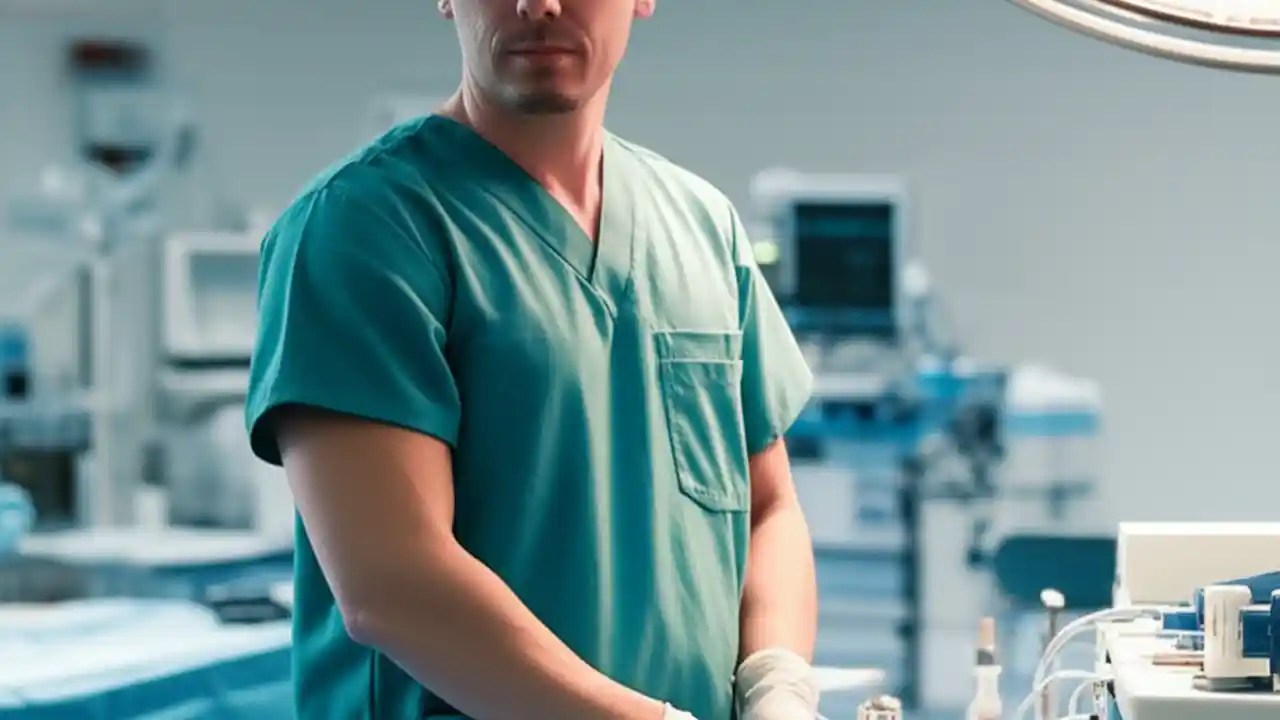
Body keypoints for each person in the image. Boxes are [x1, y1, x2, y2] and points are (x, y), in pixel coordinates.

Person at [244, 1, 819, 718]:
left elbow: (769, 508)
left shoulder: (701, 226)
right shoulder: (364, 227)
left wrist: (777, 684)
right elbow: (392, 586)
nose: (537, 6)